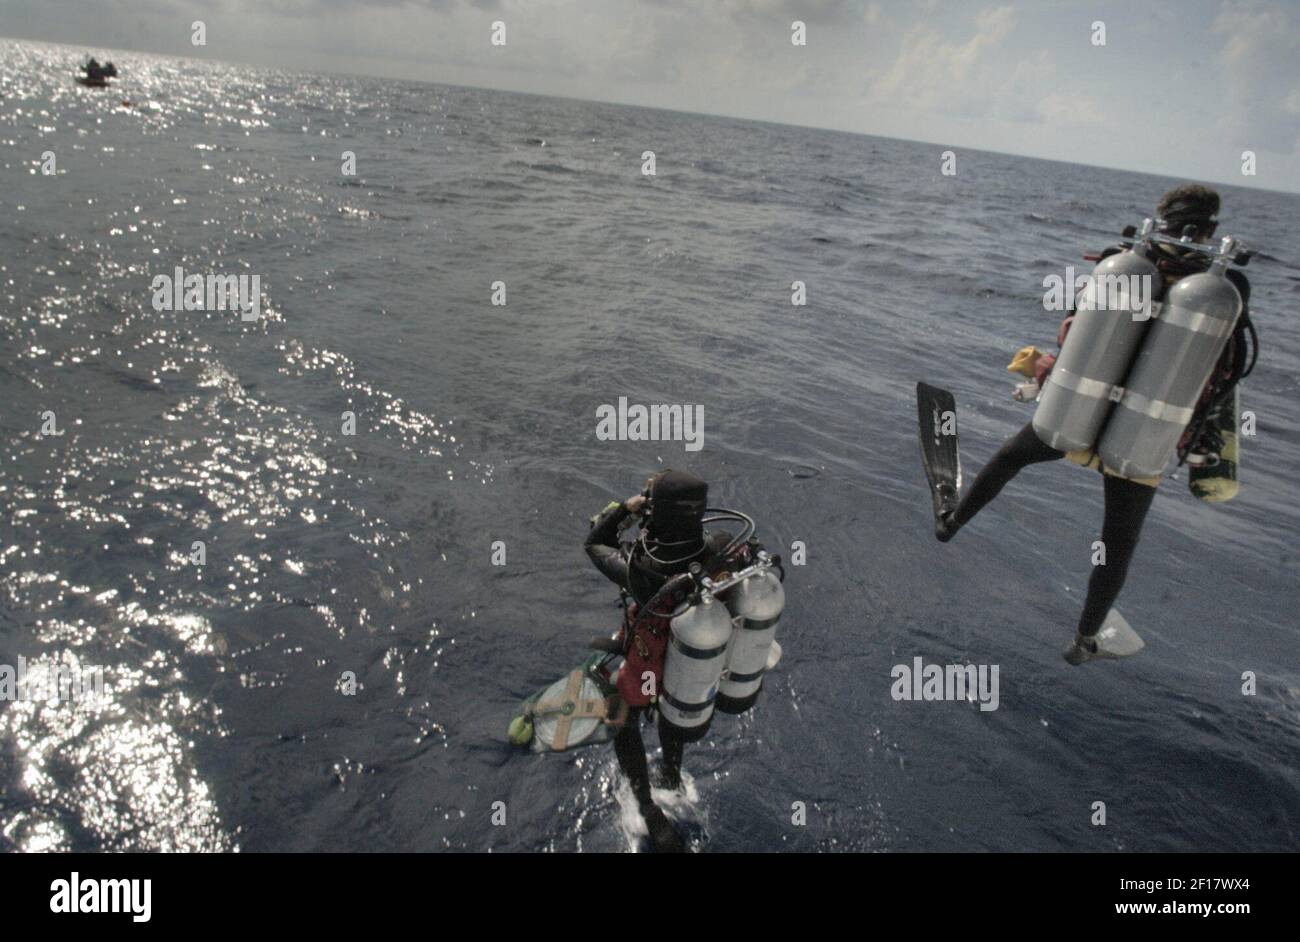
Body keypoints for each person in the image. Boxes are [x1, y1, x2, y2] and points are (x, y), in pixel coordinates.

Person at [935, 184, 1256, 664]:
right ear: (1210, 228)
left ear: (1159, 219)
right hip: (1140, 435)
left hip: (1075, 414)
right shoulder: (1225, 289)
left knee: (1008, 458)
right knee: (1118, 542)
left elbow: (1074, 325)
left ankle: (952, 522)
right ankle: (1084, 638)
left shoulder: (1120, 260)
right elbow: (1226, 371)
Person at [583, 469, 739, 852]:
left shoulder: (642, 568)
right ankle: (670, 774)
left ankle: (646, 804)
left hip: (648, 662)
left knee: (621, 717)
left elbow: (594, 544)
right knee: (674, 705)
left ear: (658, 512)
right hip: (691, 661)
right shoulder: (718, 548)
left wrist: (625, 509)